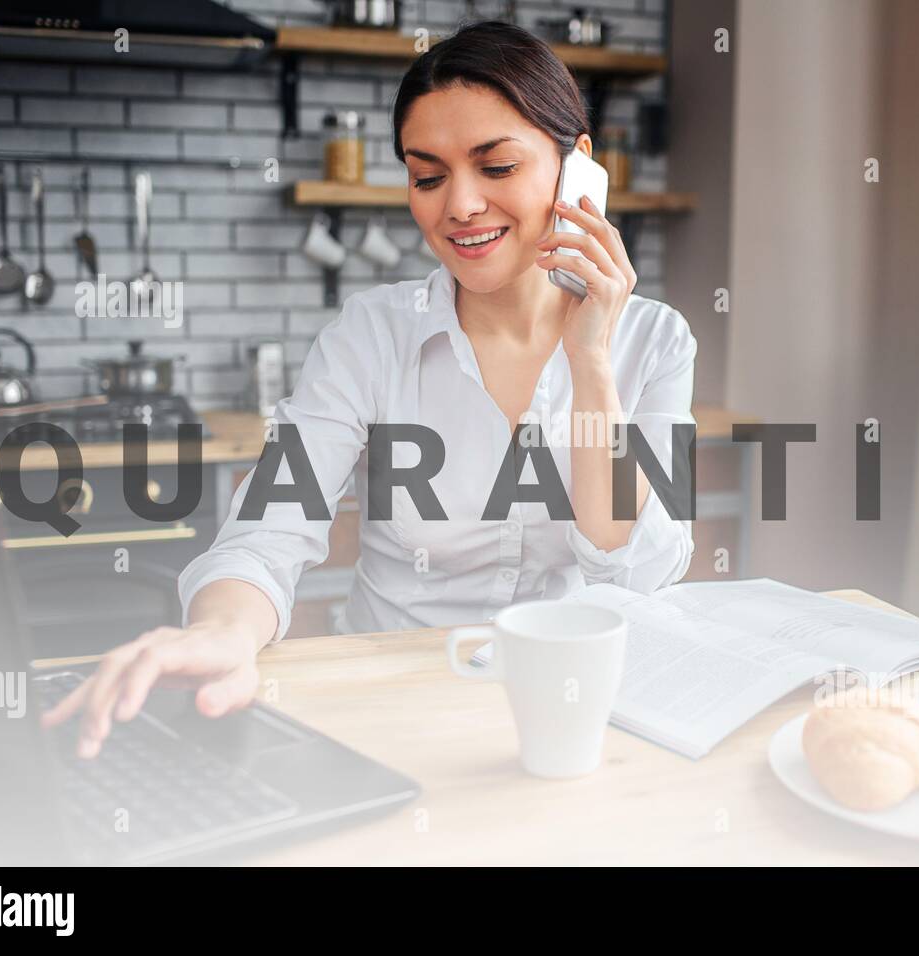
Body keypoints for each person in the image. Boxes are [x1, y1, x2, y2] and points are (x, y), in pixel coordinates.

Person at [42, 20, 698, 758]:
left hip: (572, 712)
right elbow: (267, 530)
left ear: (578, 167)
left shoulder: (655, 341)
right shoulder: (371, 335)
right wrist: (221, 632)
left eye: (497, 167)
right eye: (428, 176)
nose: (460, 205)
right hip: (393, 707)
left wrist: (591, 364)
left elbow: (636, 569)